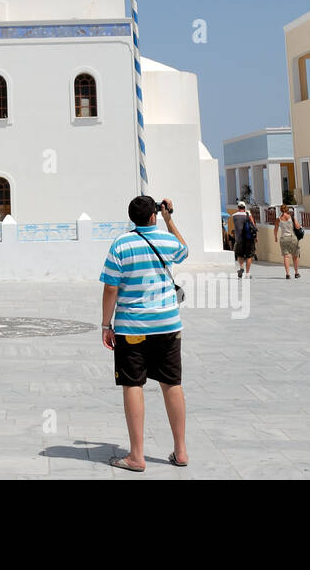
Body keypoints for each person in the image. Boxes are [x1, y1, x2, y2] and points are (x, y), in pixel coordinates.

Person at [100, 195, 190, 471]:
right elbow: (184, 250)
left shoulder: (121, 244)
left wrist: (106, 324)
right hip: (167, 326)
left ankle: (137, 456)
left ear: (132, 218)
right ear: (153, 215)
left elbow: (111, 288)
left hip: (132, 328)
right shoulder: (166, 239)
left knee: (133, 385)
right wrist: (169, 219)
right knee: (171, 383)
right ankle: (181, 451)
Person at [230, 201, 256, 279]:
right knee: (249, 256)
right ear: (245, 207)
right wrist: (249, 214)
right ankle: (247, 273)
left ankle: (241, 268)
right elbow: (253, 225)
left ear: (238, 207)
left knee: (240, 255)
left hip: (239, 239)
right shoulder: (247, 215)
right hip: (249, 239)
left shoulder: (234, 216)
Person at [276, 204, 301, 279]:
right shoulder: (291, 217)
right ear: (287, 210)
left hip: (283, 238)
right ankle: (296, 273)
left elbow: (275, 229)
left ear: (281, 210)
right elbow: (297, 226)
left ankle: (287, 274)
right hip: (292, 237)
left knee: (286, 257)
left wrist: (275, 237)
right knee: (295, 256)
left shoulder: (278, 219)